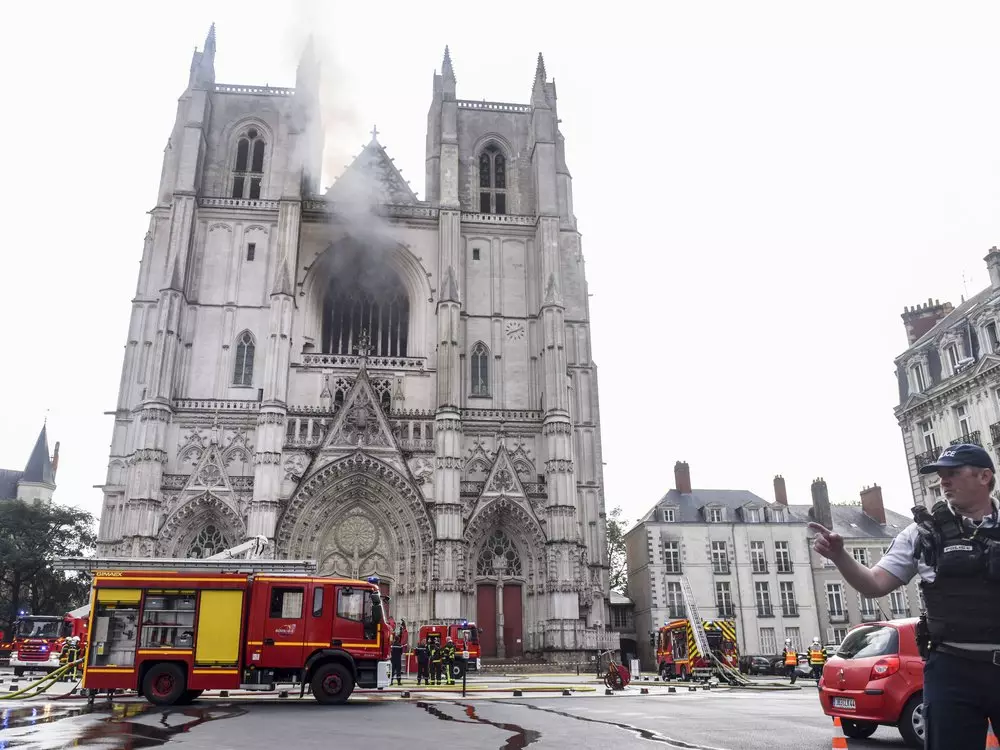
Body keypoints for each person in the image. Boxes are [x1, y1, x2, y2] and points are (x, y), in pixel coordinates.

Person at [809, 443, 1000, 750]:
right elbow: (874, 583)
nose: (943, 481)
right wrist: (840, 556)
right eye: (940, 475)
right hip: (951, 668)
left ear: (984, 476)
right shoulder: (922, 534)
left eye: (953, 473)